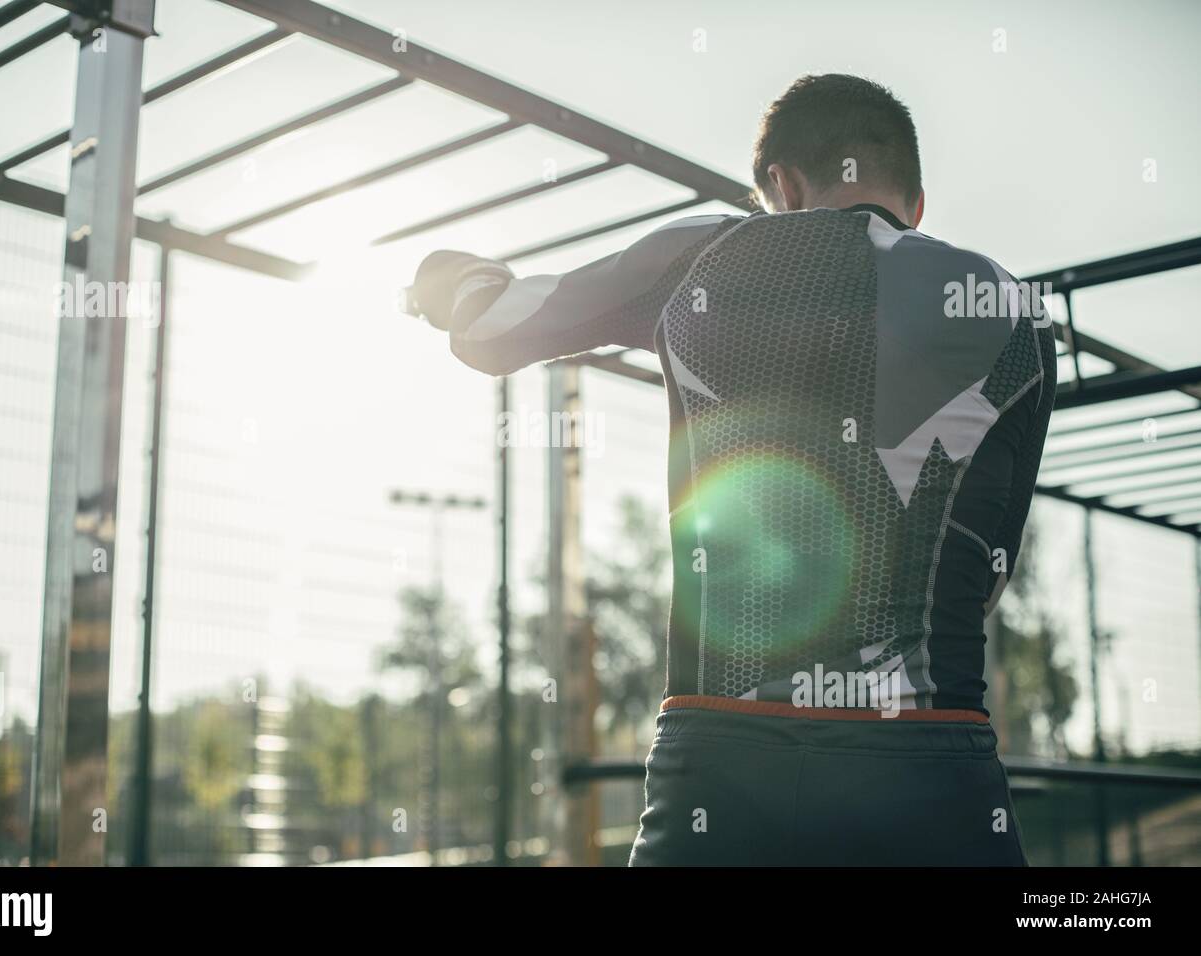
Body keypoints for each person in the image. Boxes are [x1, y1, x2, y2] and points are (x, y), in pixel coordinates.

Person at [411, 74, 1055, 866]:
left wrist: (459, 280)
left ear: (781, 184)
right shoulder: (1007, 305)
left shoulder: (708, 251)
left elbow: (491, 333)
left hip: (726, 763)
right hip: (932, 763)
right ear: (916, 204)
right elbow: (987, 572)